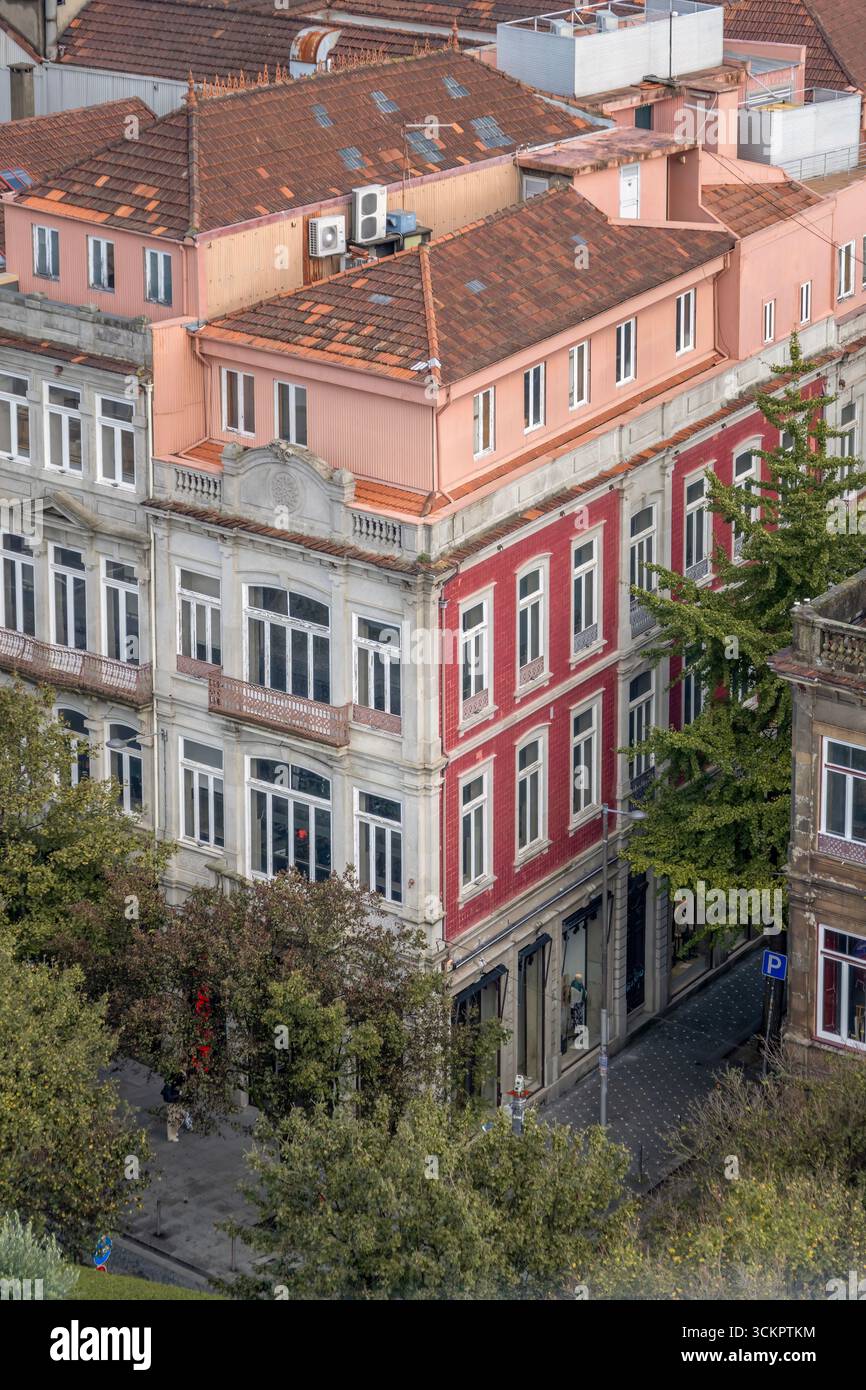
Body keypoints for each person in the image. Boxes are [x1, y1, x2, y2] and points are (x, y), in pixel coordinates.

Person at [161, 1073, 185, 1143]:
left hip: (174, 1101)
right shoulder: (170, 1084)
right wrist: (178, 1095)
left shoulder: (172, 1082)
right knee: (174, 1119)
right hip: (172, 1102)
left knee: (179, 1117)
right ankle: (171, 1136)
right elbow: (168, 1097)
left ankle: (173, 1132)